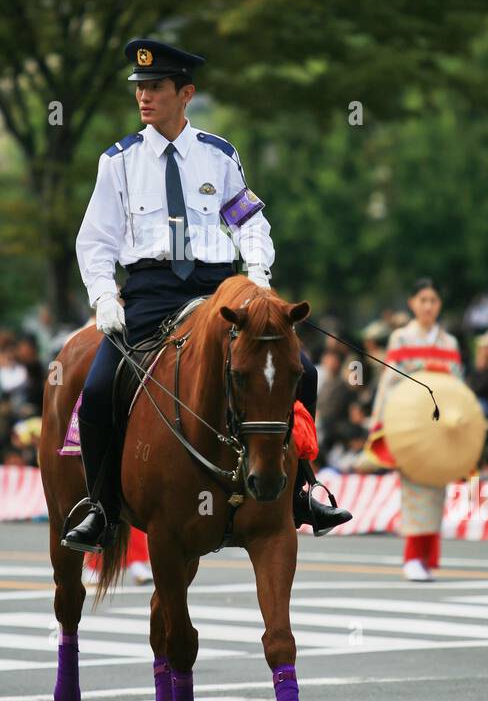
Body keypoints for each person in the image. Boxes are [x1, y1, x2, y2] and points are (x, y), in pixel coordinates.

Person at [62, 36, 351, 553]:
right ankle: (101, 508)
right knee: (101, 388)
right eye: (139, 88)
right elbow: (96, 240)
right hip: (148, 296)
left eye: (155, 87)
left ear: (185, 92)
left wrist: (258, 275)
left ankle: (303, 487)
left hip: (217, 293)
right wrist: (104, 296)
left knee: (299, 368)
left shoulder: (219, 156)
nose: (143, 97)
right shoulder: (119, 161)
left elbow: (249, 221)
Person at [365, 278, 463, 581]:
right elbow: (390, 382)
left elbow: (459, 386)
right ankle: (412, 555)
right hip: (412, 423)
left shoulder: (450, 343)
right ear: (412, 304)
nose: (428, 306)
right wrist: (381, 422)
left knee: (436, 488)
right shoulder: (401, 339)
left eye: (433, 301)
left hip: (440, 424)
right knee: (415, 489)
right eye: (423, 300)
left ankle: (428, 555)